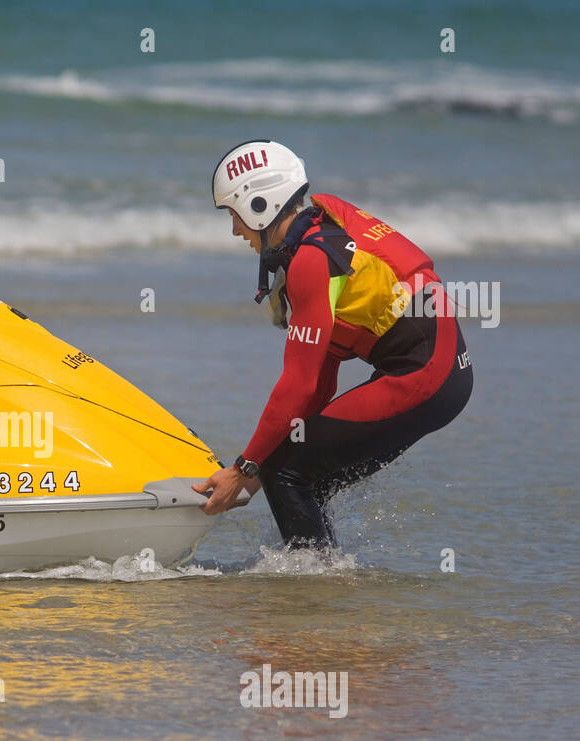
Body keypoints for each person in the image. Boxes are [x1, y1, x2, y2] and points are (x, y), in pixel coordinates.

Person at [193, 140, 473, 549]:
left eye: (234, 216)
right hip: (443, 375)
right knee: (298, 468)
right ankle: (322, 578)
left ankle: (311, 586)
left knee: (286, 469)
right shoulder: (323, 232)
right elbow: (321, 384)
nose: (235, 230)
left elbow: (300, 386)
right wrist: (253, 467)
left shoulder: (311, 260)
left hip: (425, 377)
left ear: (259, 206)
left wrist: (244, 467)